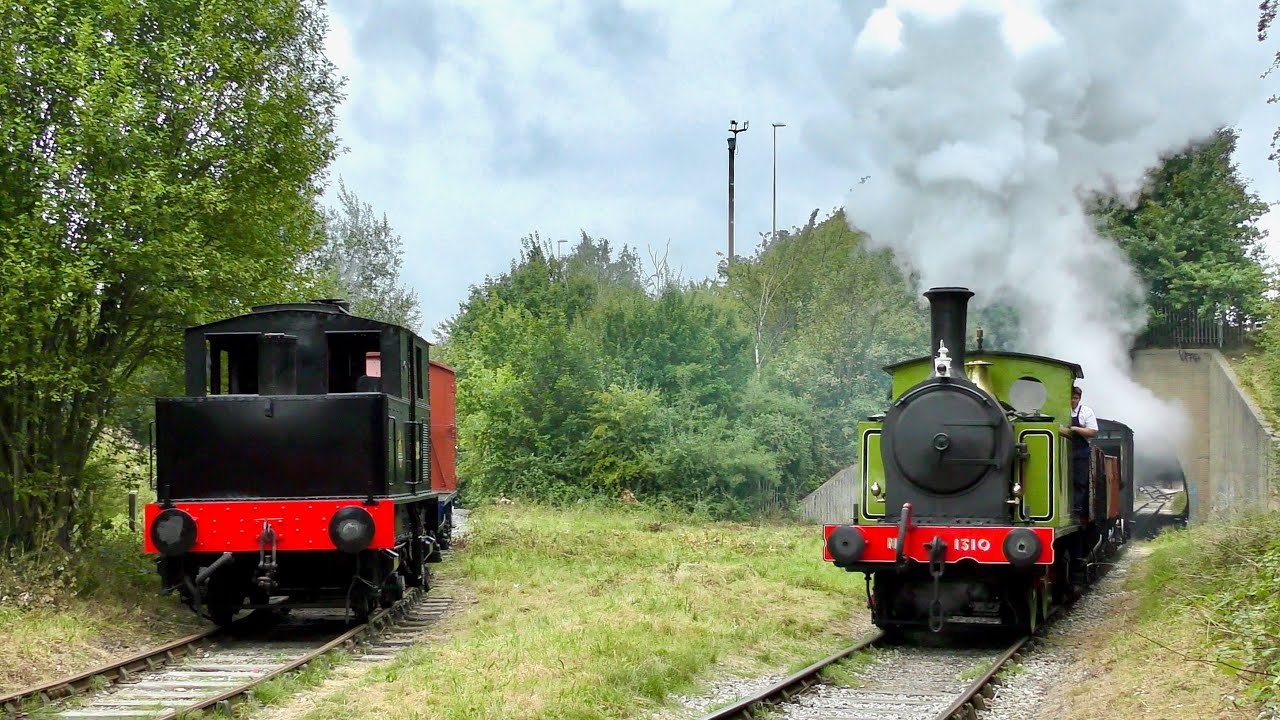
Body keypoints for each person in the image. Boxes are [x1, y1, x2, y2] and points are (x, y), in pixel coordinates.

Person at [1059, 385, 1098, 521]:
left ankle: (1077, 510)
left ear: (1079, 399)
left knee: (1079, 482)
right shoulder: (1061, 410)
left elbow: (1092, 431)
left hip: (1080, 451)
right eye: (1071, 398)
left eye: (1075, 398)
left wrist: (1075, 429)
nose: (1073, 401)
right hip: (1063, 450)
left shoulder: (1085, 412)